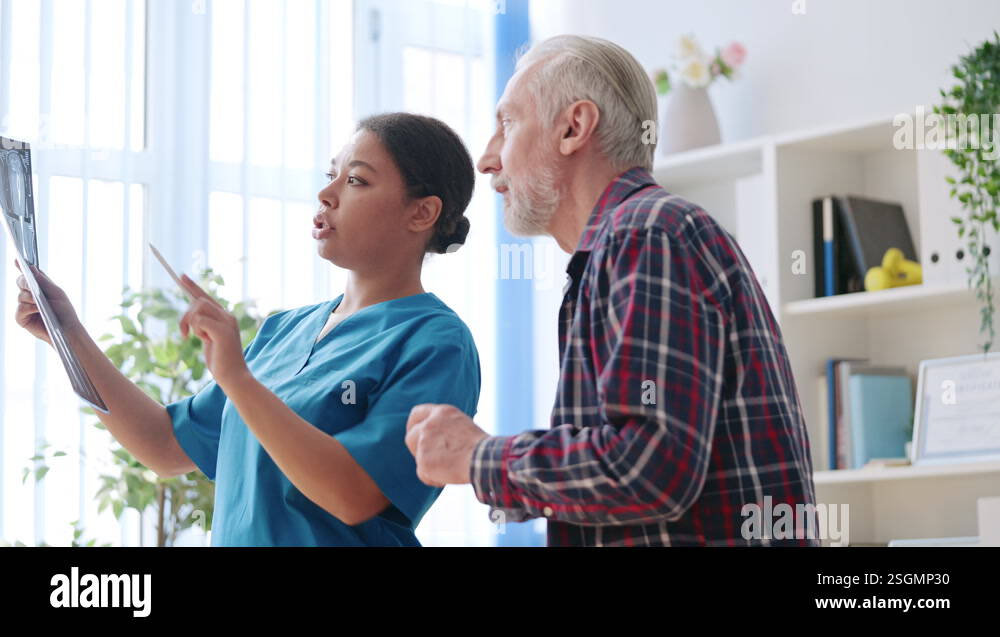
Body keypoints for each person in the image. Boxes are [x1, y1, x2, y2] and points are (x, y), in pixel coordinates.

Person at [404, 35, 819, 546]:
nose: (488, 160)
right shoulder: (629, 244)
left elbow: (649, 469)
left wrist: (477, 457)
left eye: (507, 124)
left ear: (573, 128)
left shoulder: (648, 234)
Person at [14, 111, 482, 546]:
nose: (327, 193)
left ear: (421, 213)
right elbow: (163, 444)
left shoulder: (436, 342)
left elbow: (354, 494)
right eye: (330, 176)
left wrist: (237, 379)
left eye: (356, 180)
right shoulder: (284, 331)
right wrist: (67, 334)